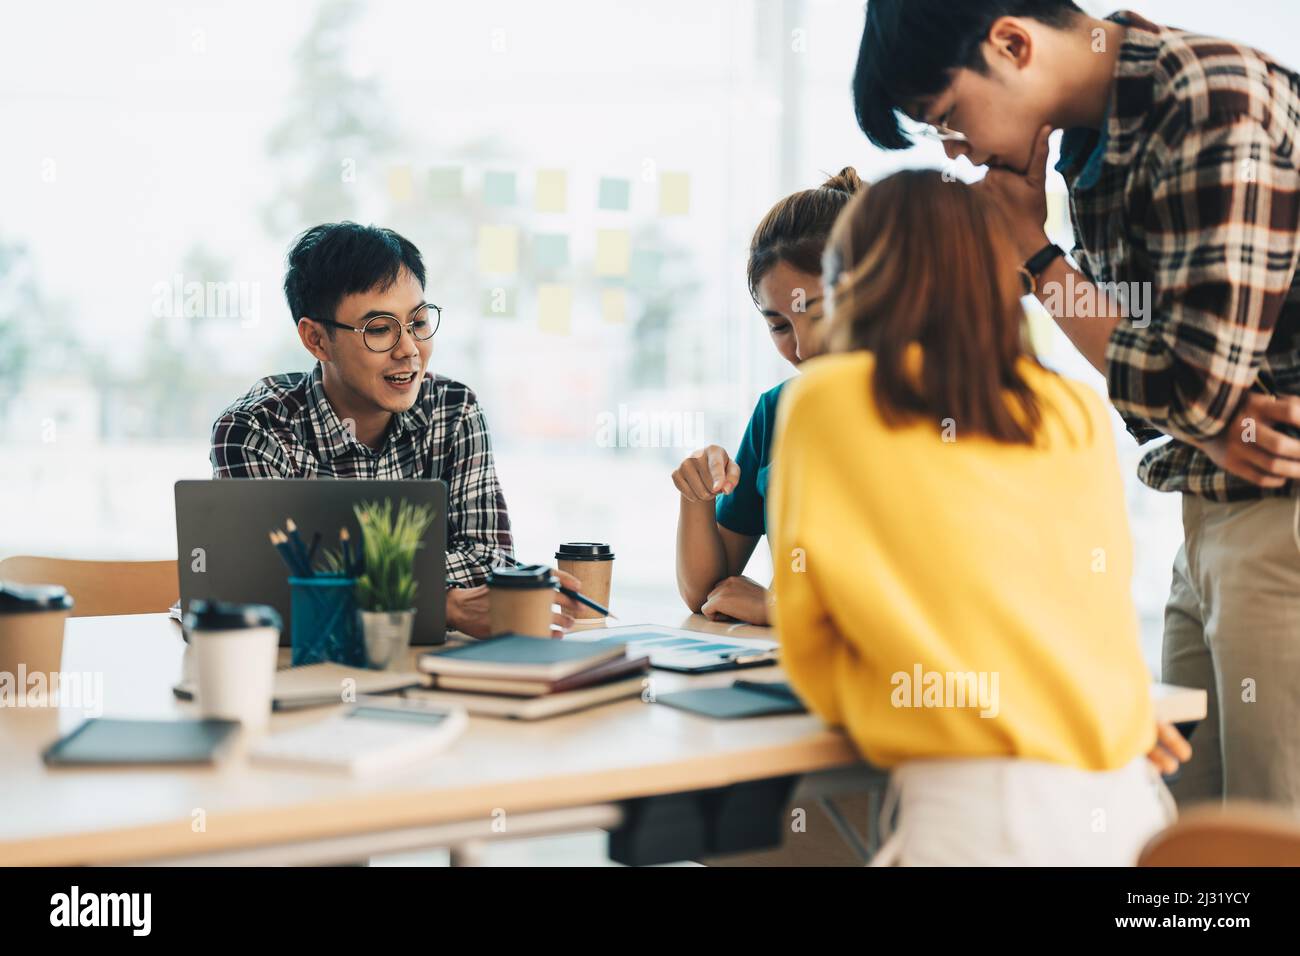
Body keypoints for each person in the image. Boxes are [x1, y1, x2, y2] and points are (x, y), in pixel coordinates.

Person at [852, 1, 1300, 810]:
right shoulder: (1090, 147)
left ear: (1013, 42)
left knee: (1269, 837)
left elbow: (1192, 387)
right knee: (1186, 843)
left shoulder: (1207, 101)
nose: (959, 153)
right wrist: (1203, 415)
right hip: (1209, 512)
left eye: (948, 119)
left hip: (1281, 513)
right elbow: (1164, 397)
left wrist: (1035, 254)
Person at [769, 169, 1187, 865]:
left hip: (980, 811)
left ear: (851, 281)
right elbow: (1094, 598)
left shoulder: (827, 401)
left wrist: (891, 702)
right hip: (1125, 798)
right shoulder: (1072, 409)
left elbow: (807, 627)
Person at [210, 222, 578, 637]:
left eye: (418, 322)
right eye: (380, 330)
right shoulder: (257, 431)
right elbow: (274, 593)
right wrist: (440, 604)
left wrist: (347, 577)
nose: (408, 350)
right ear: (316, 340)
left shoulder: (454, 411)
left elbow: (489, 560)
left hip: (433, 672)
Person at [672, 169, 863, 624]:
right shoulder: (778, 411)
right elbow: (708, 594)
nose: (802, 349)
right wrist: (697, 496)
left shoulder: (934, 408)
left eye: (817, 313)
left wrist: (785, 609)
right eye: (779, 326)